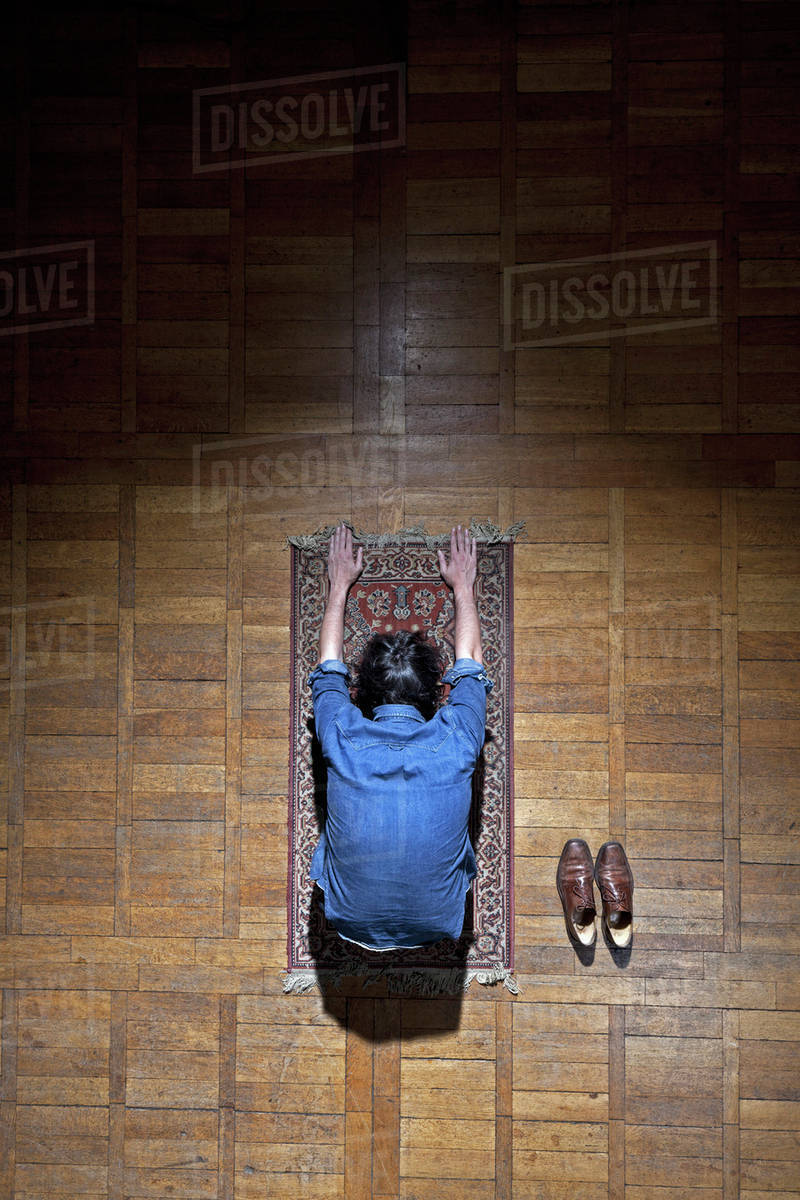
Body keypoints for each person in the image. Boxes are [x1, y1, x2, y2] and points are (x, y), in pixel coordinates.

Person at [307, 523, 493, 951]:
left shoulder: (340, 729)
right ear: (434, 694)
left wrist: (339, 587)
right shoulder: (460, 734)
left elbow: (328, 665)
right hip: (441, 923)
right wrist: (463, 586)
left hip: (346, 920)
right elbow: (471, 660)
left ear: (361, 693)